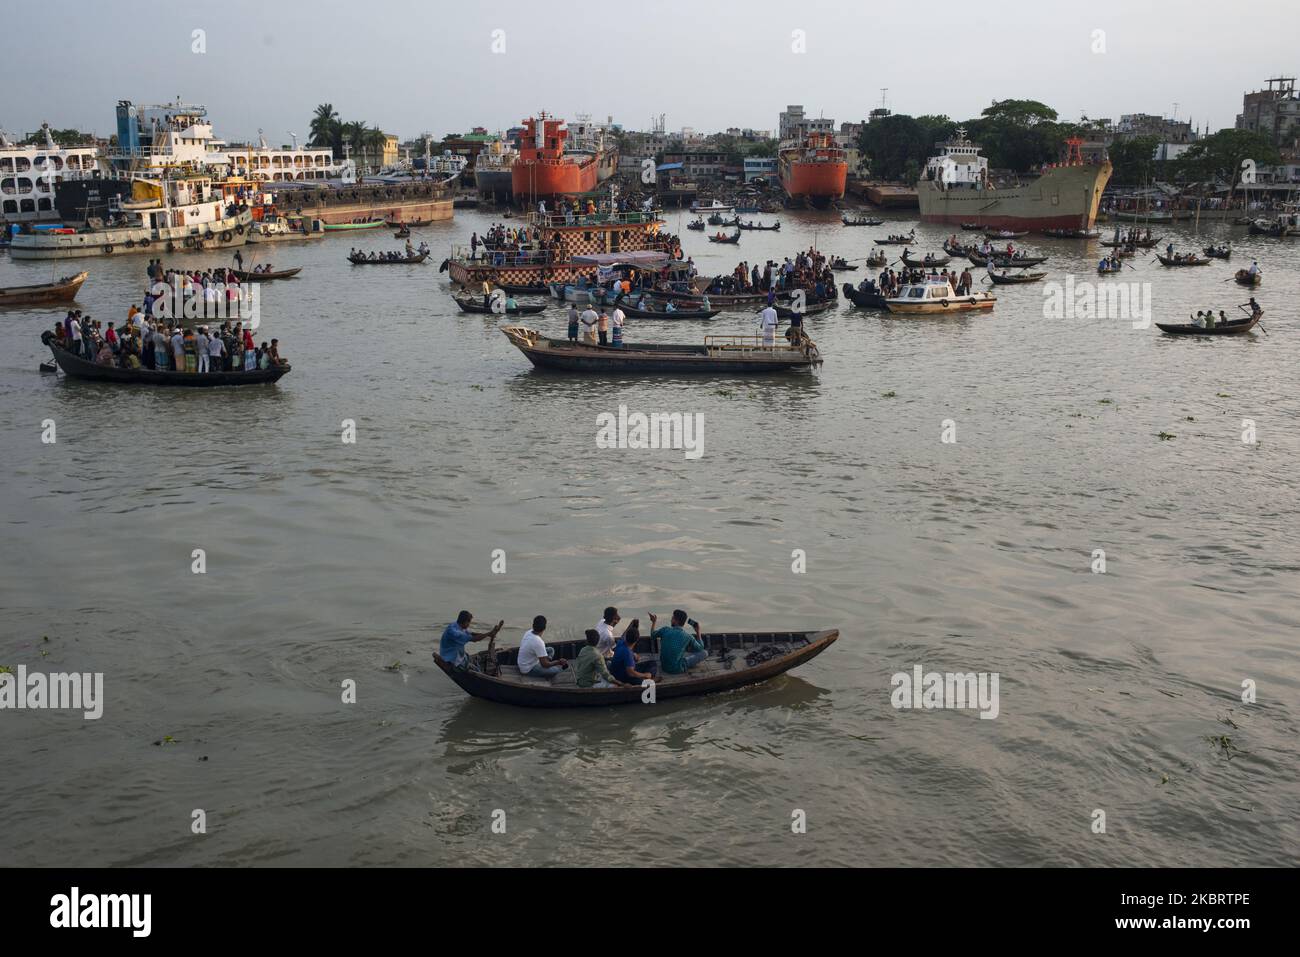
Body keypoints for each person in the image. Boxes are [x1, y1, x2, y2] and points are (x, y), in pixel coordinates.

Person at [648, 610, 707, 675]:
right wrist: (698, 631)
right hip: (678, 669)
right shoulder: (688, 636)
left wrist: (654, 622)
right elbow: (700, 648)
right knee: (704, 653)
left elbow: (652, 635)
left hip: (664, 667)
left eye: (672, 618)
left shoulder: (665, 630)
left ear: (675, 620)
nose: (671, 620)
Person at [437, 611, 503, 669]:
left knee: (476, 660)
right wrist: (489, 633)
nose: (469, 625)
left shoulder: (455, 625)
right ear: (465, 622)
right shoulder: (456, 634)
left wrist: (489, 634)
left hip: (454, 654)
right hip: (451, 658)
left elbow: (471, 634)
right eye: (469, 622)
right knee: (475, 669)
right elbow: (474, 639)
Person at [609, 619, 656, 684]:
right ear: (637, 640)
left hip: (616, 671)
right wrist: (645, 675)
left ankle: (647, 676)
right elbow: (631, 673)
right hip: (621, 676)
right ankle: (649, 679)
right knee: (643, 679)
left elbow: (625, 633)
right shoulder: (627, 653)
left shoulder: (620, 642)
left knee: (652, 663)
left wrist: (632, 624)